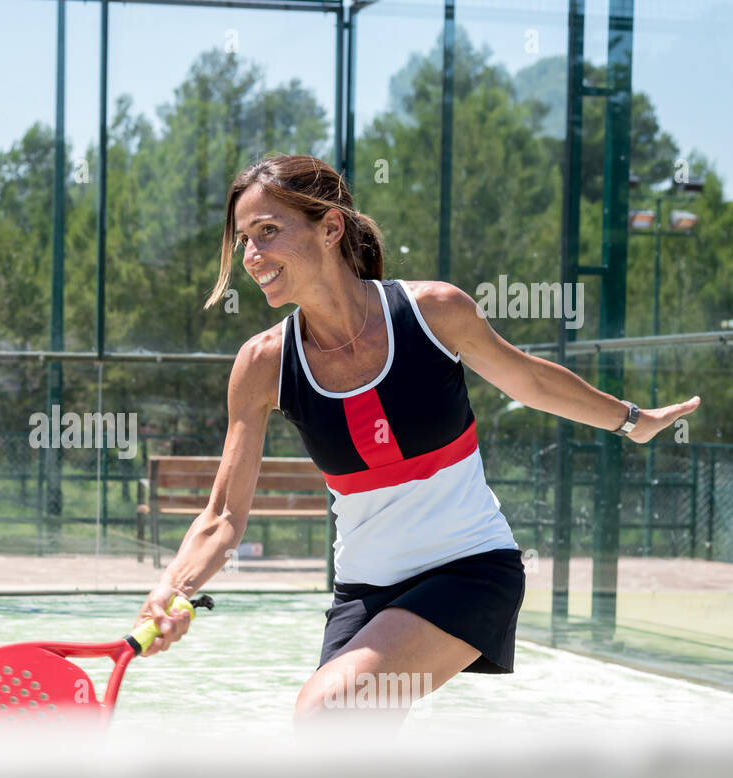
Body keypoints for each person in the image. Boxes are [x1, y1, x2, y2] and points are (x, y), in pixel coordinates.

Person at [132, 154, 700, 723]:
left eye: (268, 232)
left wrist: (632, 420)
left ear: (330, 228)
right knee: (341, 762)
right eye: (243, 240)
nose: (252, 257)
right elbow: (223, 517)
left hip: (471, 571)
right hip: (362, 594)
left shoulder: (434, 312)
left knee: (326, 708)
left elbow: (528, 379)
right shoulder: (262, 364)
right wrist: (171, 589)